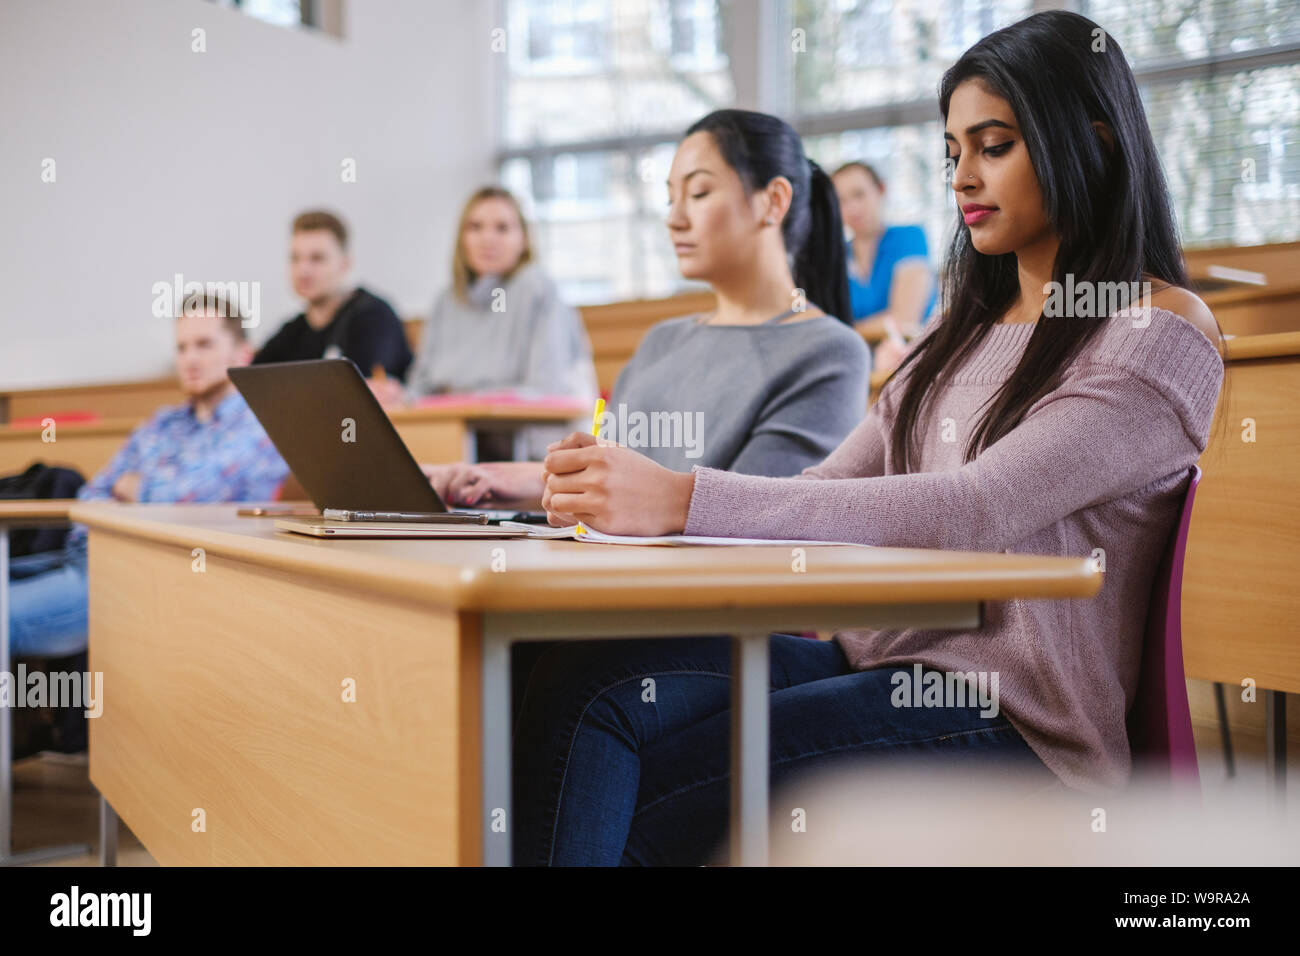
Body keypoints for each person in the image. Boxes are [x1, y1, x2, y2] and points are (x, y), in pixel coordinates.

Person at [516, 10, 1226, 865]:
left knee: (670, 781)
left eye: (993, 145)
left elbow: (978, 507)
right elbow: (826, 492)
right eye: (953, 151)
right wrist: (628, 507)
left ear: (1096, 142)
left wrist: (677, 498)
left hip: (1016, 720)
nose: (963, 175)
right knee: (572, 681)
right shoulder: (951, 334)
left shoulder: (1156, 331)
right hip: (873, 662)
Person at [425, 112, 869, 510]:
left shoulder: (829, 352)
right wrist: (499, 481)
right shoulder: (662, 340)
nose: (673, 219)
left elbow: (754, 516)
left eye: (698, 192)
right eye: (670, 198)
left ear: (773, 201)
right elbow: (606, 480)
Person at [9, 292, 290, 663]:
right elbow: (93, 494)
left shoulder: (261, 426)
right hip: (85, 557)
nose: (189, 359)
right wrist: (138, 496)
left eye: (204, 345)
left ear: (243, 355)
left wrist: (136, 487)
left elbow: (186, 497)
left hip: (155, 578)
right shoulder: (162, 422)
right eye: (182, 347)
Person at [253, 210, 413, 381]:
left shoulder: (374, 318)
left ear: (345, 264)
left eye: (317, 258)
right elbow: (253, 378)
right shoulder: (294, 331)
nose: (303, 270)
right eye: (295, 258)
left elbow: (361, 391)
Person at [832, 161, 937, 372]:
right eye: (841, 200)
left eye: (859, 195)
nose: (851, 208)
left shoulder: (909, 238)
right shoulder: (836, 256)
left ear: (881, 190)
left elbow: (904, 320)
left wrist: (841, 332)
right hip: (857, 369)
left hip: (914, 365)